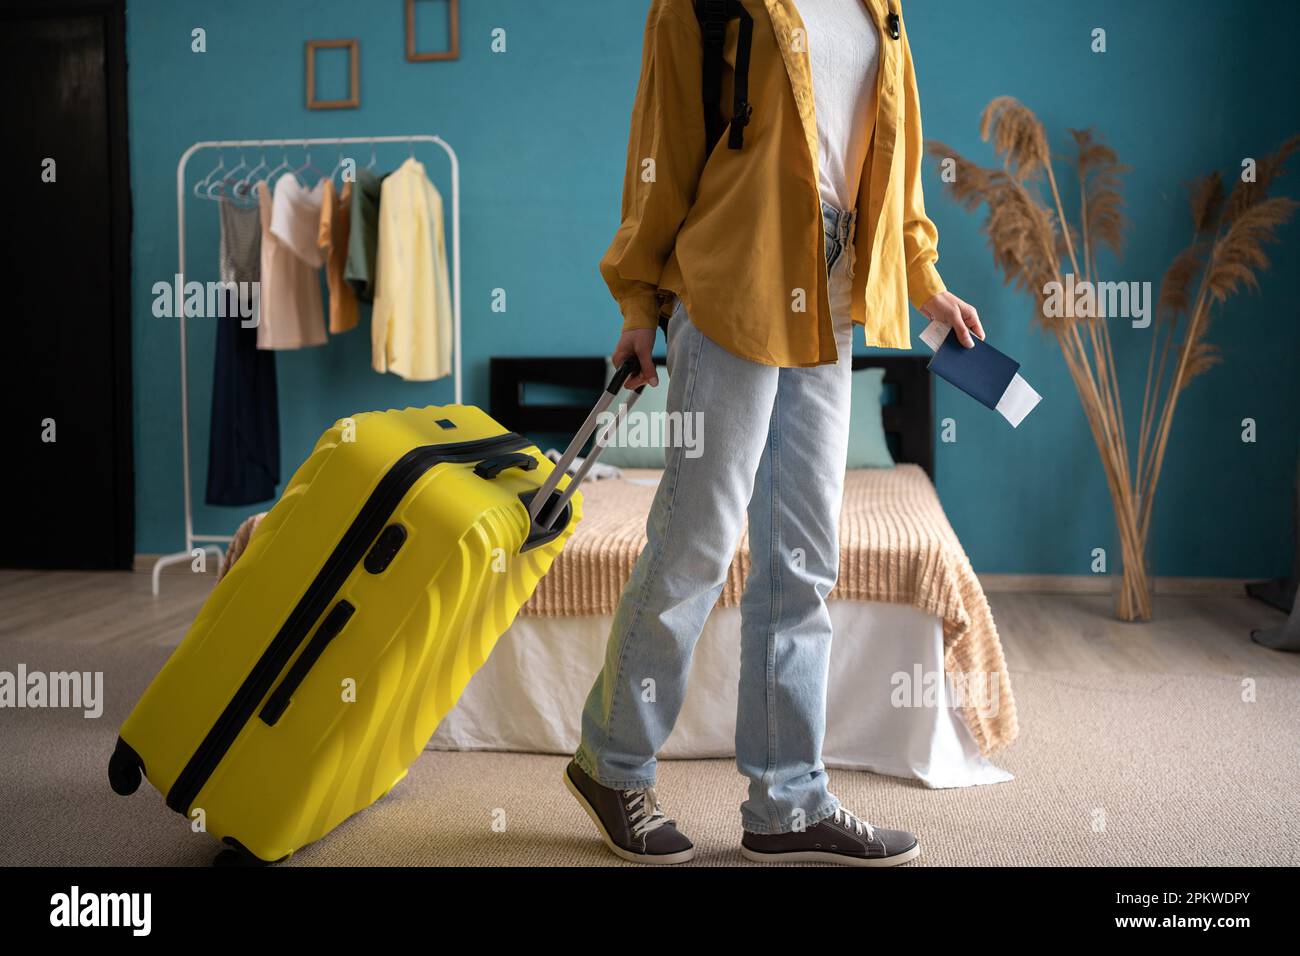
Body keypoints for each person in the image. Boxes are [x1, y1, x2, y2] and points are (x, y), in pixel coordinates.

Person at [564, 0, 984, 867]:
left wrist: (923, 278)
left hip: (831, 304)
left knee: (803, 556)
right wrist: (640, 301)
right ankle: (613, 764)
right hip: (734, 289)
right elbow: (662, 148)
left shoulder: (882, 6)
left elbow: (888, 155)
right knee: (696, 541)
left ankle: (787, 802)